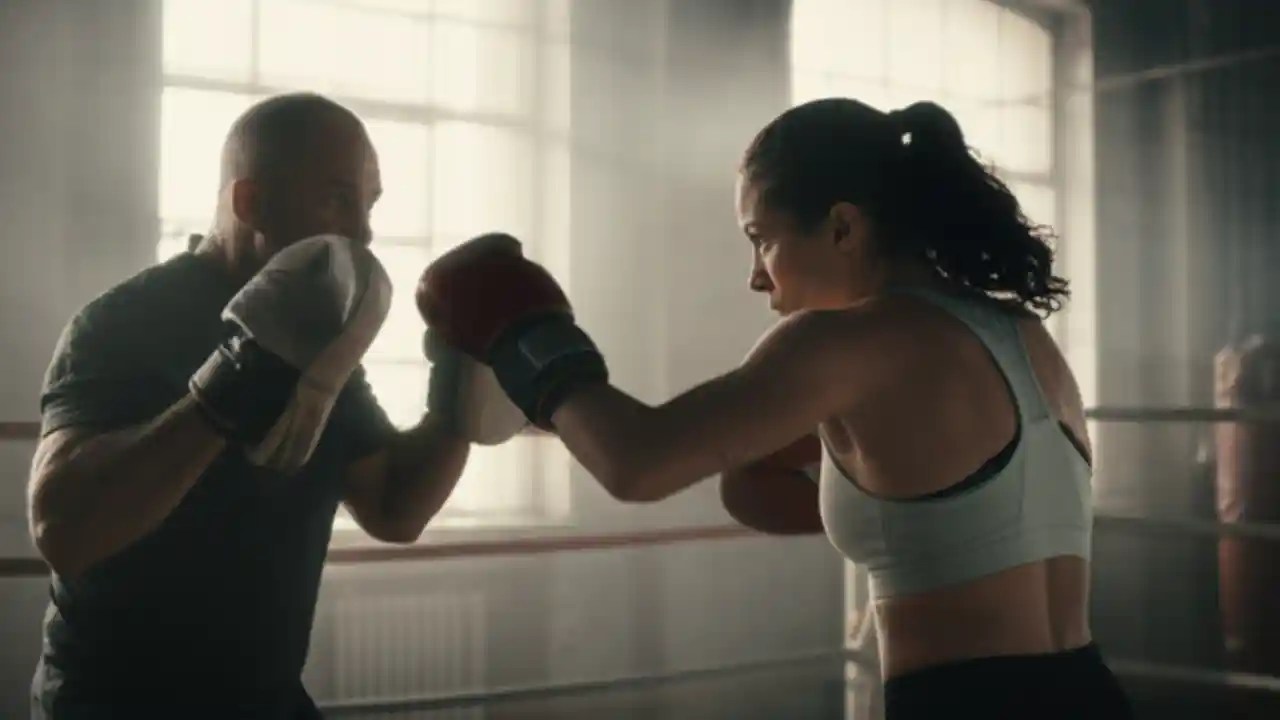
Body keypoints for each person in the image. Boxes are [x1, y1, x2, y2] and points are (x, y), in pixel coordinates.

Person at [417, 98, 1135, 718]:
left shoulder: (839, 342)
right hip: (1089, 692)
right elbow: (970, 520)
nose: (756, 276)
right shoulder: (1016, 333)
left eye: (762, 239)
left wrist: (524, 332)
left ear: (843, 227)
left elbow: (636, 464)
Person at [26, 92, 521, 719]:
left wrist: (462, 385)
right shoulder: (120, 324)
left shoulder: (324, 339)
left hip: (263, 697)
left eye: (368, 206)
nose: (363, 233)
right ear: (250, 203)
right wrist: (237, 381)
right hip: (113, 701)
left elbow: (393, 505)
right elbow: (64, 531)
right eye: (338, 200)